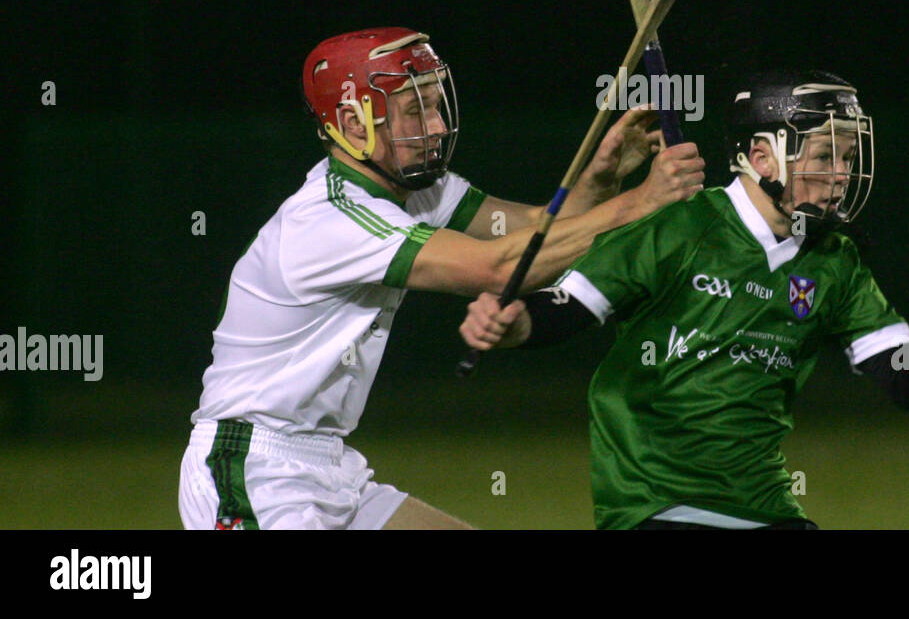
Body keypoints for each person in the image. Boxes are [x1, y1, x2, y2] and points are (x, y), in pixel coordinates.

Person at [179, 26, 705, 529]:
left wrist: (605, 177)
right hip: (254, 468)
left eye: (434, 104)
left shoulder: (417, 192)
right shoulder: (331, 218)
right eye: (413, 111)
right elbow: (498, 268)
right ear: (353, 121)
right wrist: (641, 203)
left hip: (328, 463)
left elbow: (535, 233)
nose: (434, 125)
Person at [459, 69, 909, 529]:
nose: (841, 177)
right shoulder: (679, 224)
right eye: (826, 156)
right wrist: (513, 325)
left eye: (849, 156)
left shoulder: (835, 260)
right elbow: (565, 311)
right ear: (763, 157)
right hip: (656, 506)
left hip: (763, 507)